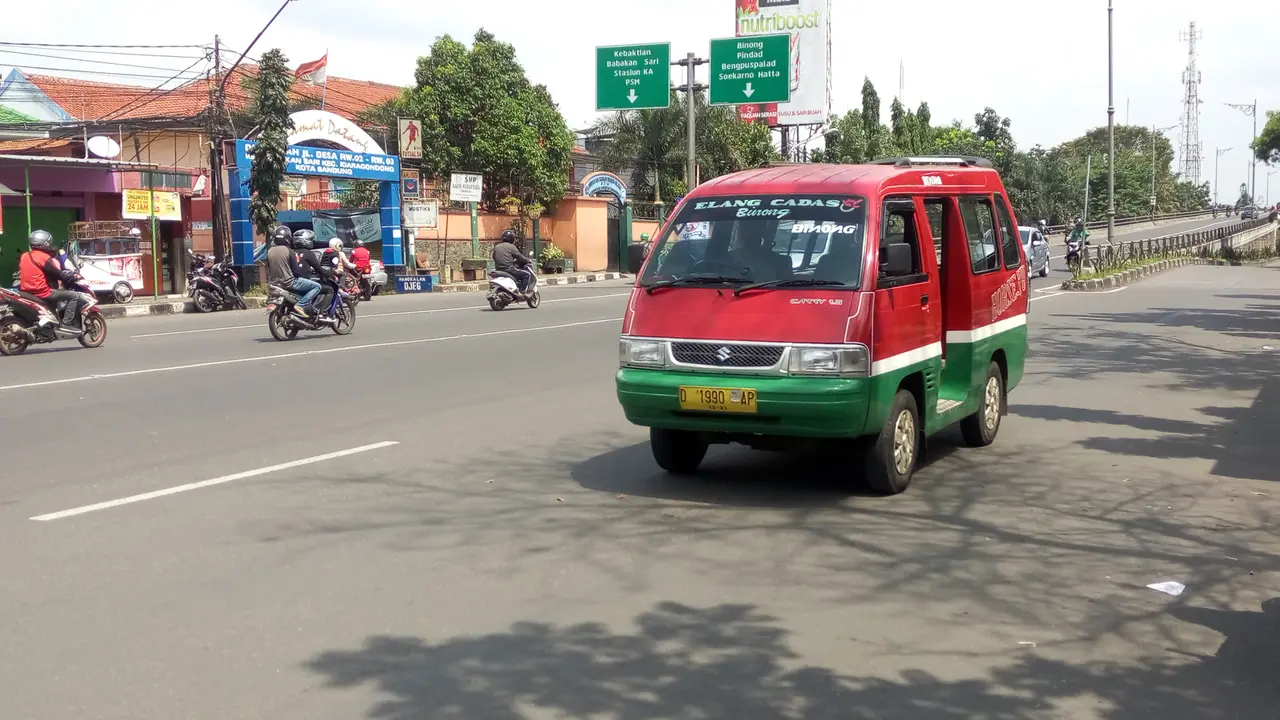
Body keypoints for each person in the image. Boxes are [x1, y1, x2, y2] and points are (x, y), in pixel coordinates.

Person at [18, 230, 81, 327]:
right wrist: (71, 276)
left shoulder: (24, 256)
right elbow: (57, 273)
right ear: (46, 243)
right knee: (74, 296)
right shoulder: (44, 257)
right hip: (42, 293)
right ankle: (66, 324)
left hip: (25, 292)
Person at [266, 226, 321, 316]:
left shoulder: (269, 251)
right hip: (289, 282)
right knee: (317, 287)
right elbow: (296, 271)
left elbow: (269, 268)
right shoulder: (289, 251)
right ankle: (300, 305)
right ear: (288, 238)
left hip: (274, 284)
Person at [292, 229, 335, 321]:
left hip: (291, 281)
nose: (312, 242)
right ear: (306, 241)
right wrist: (330, 273)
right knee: (329, 290)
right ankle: (322, 313)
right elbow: (319, 269)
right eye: (311, 240)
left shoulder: (291, 252)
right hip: (302, 282)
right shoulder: (308, 253)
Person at [492, 229, 533, 293]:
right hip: (509, 269)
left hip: (498, 269)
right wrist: (528, 260)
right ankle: (521, 292)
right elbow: (520, 257)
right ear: (511, 238)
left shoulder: (497, 246)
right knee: (527, 275)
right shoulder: (511, 247)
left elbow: (494, 257)